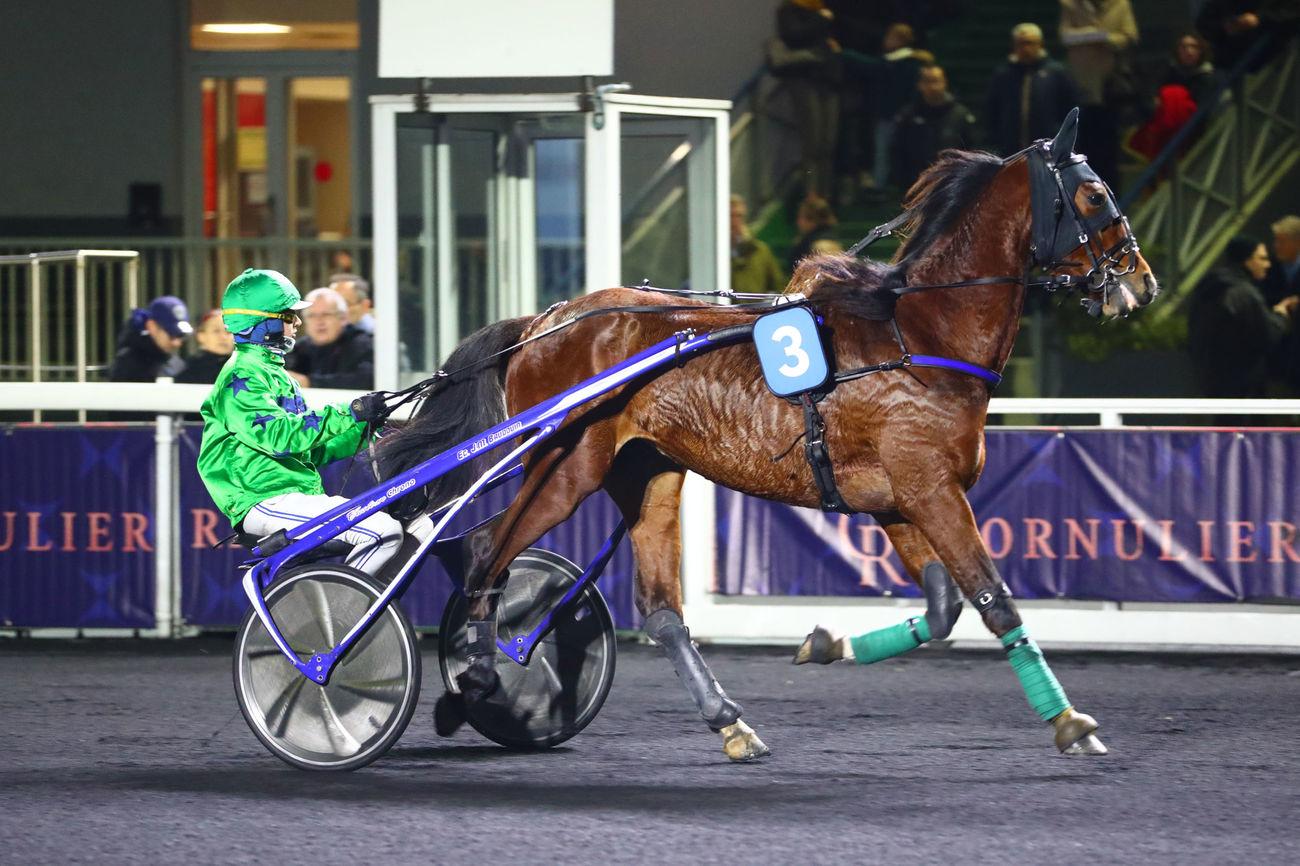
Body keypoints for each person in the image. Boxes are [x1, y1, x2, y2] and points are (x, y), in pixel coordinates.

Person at [196, 268, 401, 578]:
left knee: (412, 529)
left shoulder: (279, 376)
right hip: (263, 499)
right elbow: (281, 438)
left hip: (294, 497)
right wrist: (350, 411)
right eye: (289, 316)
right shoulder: (242, 375)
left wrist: (366, 429)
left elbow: (310, 452)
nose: (298, 323)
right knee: (383, 532)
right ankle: (343, 619)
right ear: (264, 322)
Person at [1187, 236, 1297, 411]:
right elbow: (1266, 333)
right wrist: (1281, 315)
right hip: (1242, 388)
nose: (1268, 264)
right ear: (1247, 260)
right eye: (1262, 258)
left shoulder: (1209, 286)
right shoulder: (1243, 293)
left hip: (1207, 380)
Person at [1059, 0, 1139, 186]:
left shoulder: (1120, 4)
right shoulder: (1071, 5)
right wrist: (1089, 34)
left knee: (1108, 150)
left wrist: (1105, 38)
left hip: (1109, 86)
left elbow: (1130, 36)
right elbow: (1065, 35)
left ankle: (1111, 196)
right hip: (1081, 85)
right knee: (1083, 149)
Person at [772, 0, 843, 200]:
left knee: (827, 144)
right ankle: (811, 199)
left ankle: (824, 199)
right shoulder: (789, 11)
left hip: (828, 81)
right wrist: (821, 20)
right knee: (812, 143)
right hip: (805, 80)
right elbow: (794, 36)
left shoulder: (824, 10)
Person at [985, 23, 1080, 157]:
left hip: (1048, 149)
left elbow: (1069, 107)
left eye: (1029, 43)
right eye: (1021, 44)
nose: (1025, 48)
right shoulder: (1003, 74)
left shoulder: (1057, 73)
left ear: (1040, 44)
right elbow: (992, 109)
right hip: (1011, 149)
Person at [891, 64, 979, 192]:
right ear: (919, 85)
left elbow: (972, 149)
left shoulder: (960, 114)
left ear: (944, 82)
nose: (932, 86)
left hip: (952, 184)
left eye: (936, 81)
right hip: (916, 185)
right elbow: (897, 149)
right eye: (927, 82)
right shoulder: (908, 116)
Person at [872, 23, 935, 192]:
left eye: (890, 37)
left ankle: (883, 188)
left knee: (888, 153)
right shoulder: (898, 61)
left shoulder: (909, 64)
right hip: (898, 115)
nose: (885, 41)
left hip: (903, 116)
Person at [285, 287, 375, 390]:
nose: (319, 321)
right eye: (312, 316)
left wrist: (309, 382)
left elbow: (365, 380)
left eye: (326, 315)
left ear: (343, 318)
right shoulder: (299, 348)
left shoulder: (363, 344)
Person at [107, 295, 192, 382]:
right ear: (151, 326)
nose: (177, 343)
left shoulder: (175, 363)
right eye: (172, 334)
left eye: (181, 335)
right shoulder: (129, 365)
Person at [730, 195, 785, 295]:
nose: (734, 222)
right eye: (731, 216)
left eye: (739, 216)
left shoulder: (759, 250)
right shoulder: (714, 252)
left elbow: (778, 284)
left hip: (755, 308)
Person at [787, 195, 843, 273]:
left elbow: (831, 275)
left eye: (801, 217)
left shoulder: (824, 244)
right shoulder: (806, 239)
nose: (798, 222)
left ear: (813, 219)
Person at [176, 309, 234, 385]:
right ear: (201, 336)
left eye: (228, 332)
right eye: (216, 331)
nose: (223, 337)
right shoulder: (188, 369)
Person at [1262, 215, 1300, 304]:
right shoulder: (1266, 267)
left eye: (1282, 242)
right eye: (1276, 240)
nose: (1276, 246)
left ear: (1298, 243)